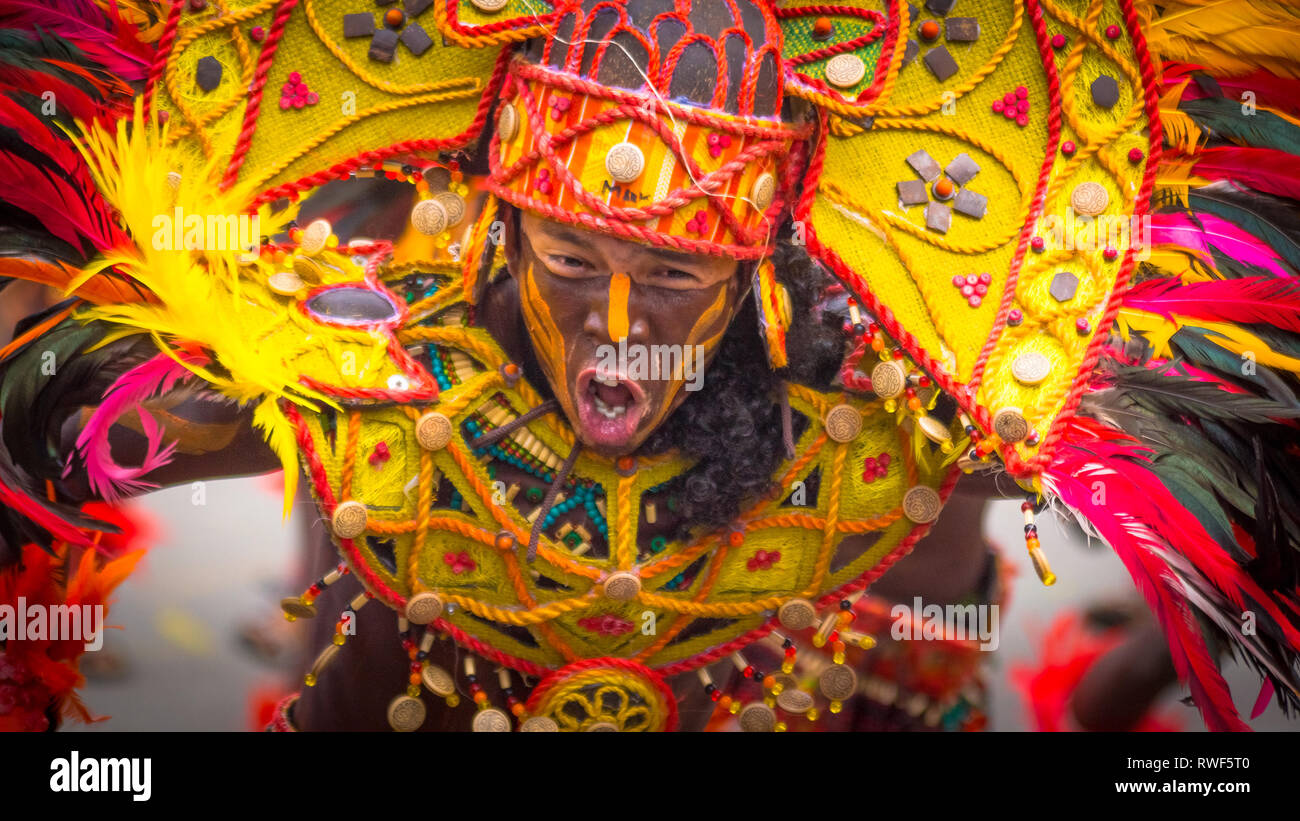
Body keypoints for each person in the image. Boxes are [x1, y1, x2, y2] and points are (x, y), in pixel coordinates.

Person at [1, 0, 1298, 732]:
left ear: (765, 271)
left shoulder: (885, 430)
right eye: (569, 260)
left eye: (674, 276)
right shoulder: (361, 375)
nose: (616, 322)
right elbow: (55, 413)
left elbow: (1222, 543)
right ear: (497, 229)